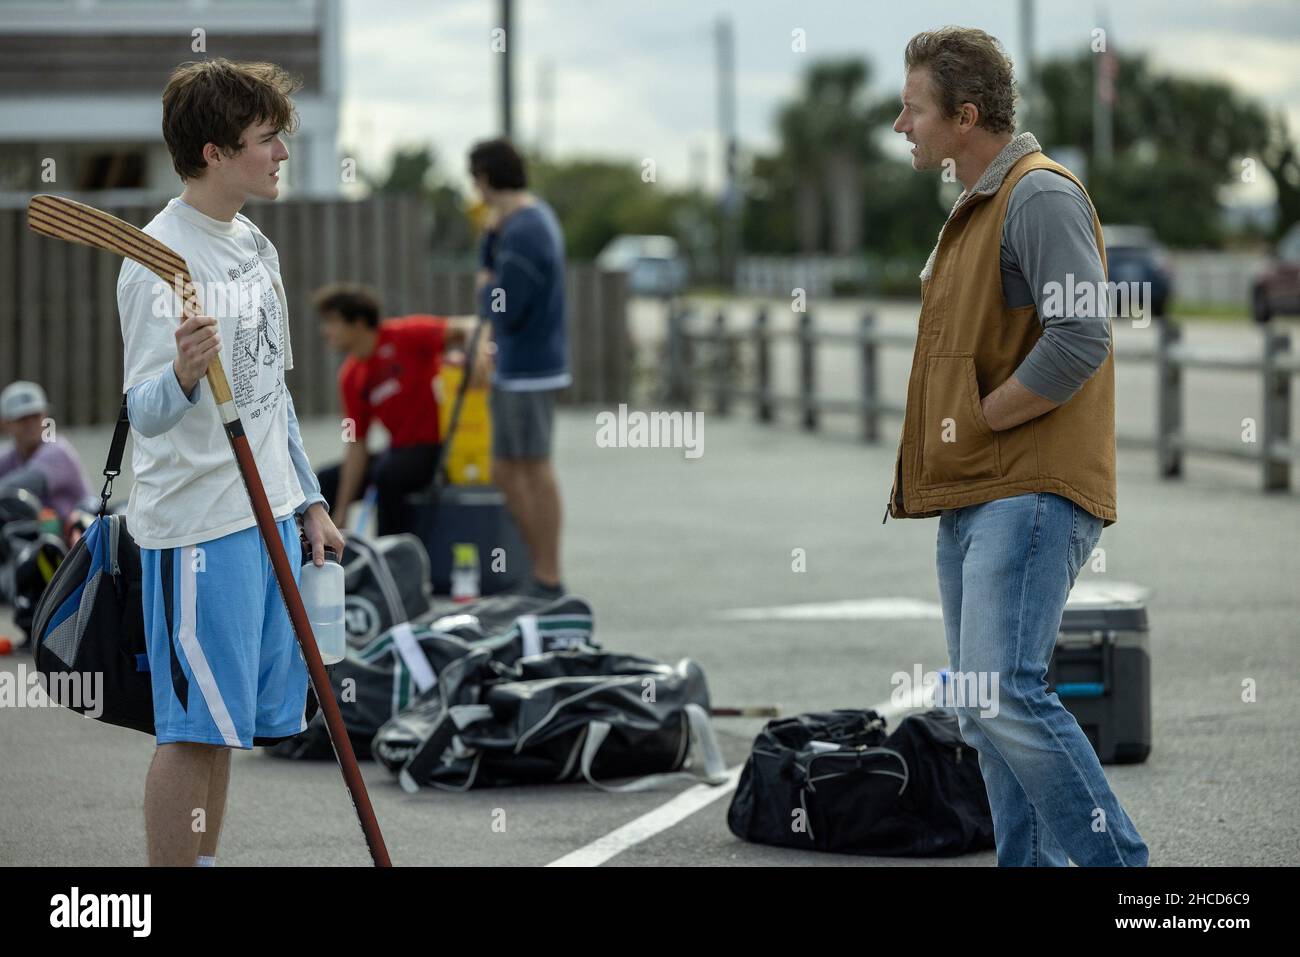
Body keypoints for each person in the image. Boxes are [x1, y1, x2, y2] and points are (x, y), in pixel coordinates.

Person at [886, 27, 1148, 866]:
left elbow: (1081, 334)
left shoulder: (1038, 195)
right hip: (974, 491)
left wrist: (989, 415)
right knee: (978, 702)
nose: (902, 124)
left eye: (914, 108)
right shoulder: (976, 203)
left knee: (1003, 692)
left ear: (965, 116)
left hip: (1026, 487)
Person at [117, 58, 344, 867]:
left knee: (229, 724)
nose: (282, 152)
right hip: (201, 525)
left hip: (270, 510)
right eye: (266, 138)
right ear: (214, 152)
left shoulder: (253, 242)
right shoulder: (157, 256)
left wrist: (309, 498)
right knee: (192, 727)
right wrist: (180, 373)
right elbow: (139, 411)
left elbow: (269, 392)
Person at [469, 137, 569, 599]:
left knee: (526, 467)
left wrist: (485, 286)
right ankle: (539, 569)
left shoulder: (526, 230)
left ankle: (546, 574)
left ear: (485, 177)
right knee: (513, 467)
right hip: (525, 366)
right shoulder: (527, 220)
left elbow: (503, 307)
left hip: (528, 370)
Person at [312, 283, 481, 535]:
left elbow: (471, 325)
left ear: (357, 323)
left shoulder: (406, 334)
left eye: (332, 322)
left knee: (388, 474)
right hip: (400, 451)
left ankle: (392, 557)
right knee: (325, 480)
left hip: (438, 447)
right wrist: (342, 511)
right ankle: (324, 560)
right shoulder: (350, 376)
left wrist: (477, 360)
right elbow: (356, 442)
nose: (325, 332)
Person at [0, 381, 92, 520]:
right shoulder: (9, 457)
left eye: (36, 416)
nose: (31, 424)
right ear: (6, 423)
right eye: (22, 419)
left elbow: (28, 482)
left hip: (75, 537)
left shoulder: (57, 450)